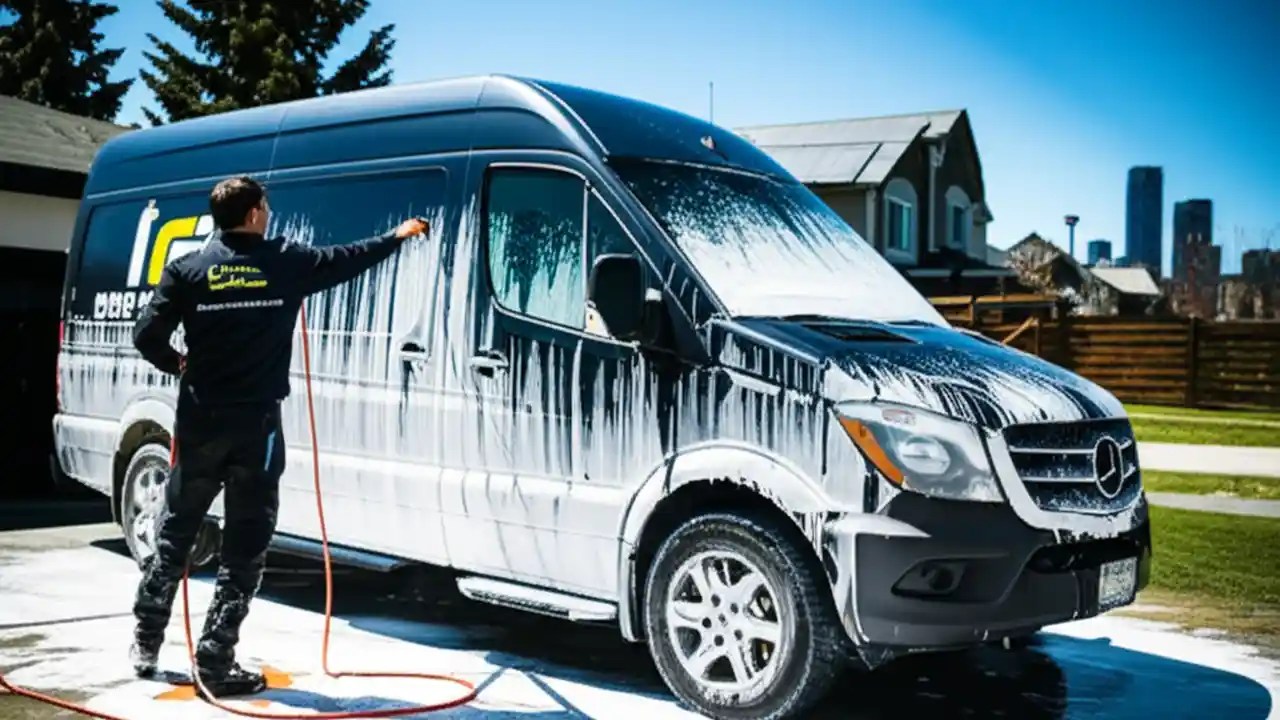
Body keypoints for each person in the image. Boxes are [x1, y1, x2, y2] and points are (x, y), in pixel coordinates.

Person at [128, 175, 428, 697]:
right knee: (244, 544)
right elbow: (348, 259)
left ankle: (146, 643)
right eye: (264, 207)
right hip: (257, 428)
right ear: (252, 215)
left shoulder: (187, 270)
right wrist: (397, 237)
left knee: (177, 532)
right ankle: (216, 661)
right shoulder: (285, 262)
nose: (268, 213)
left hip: (200, 421)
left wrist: (179, 364)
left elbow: (144, 334)